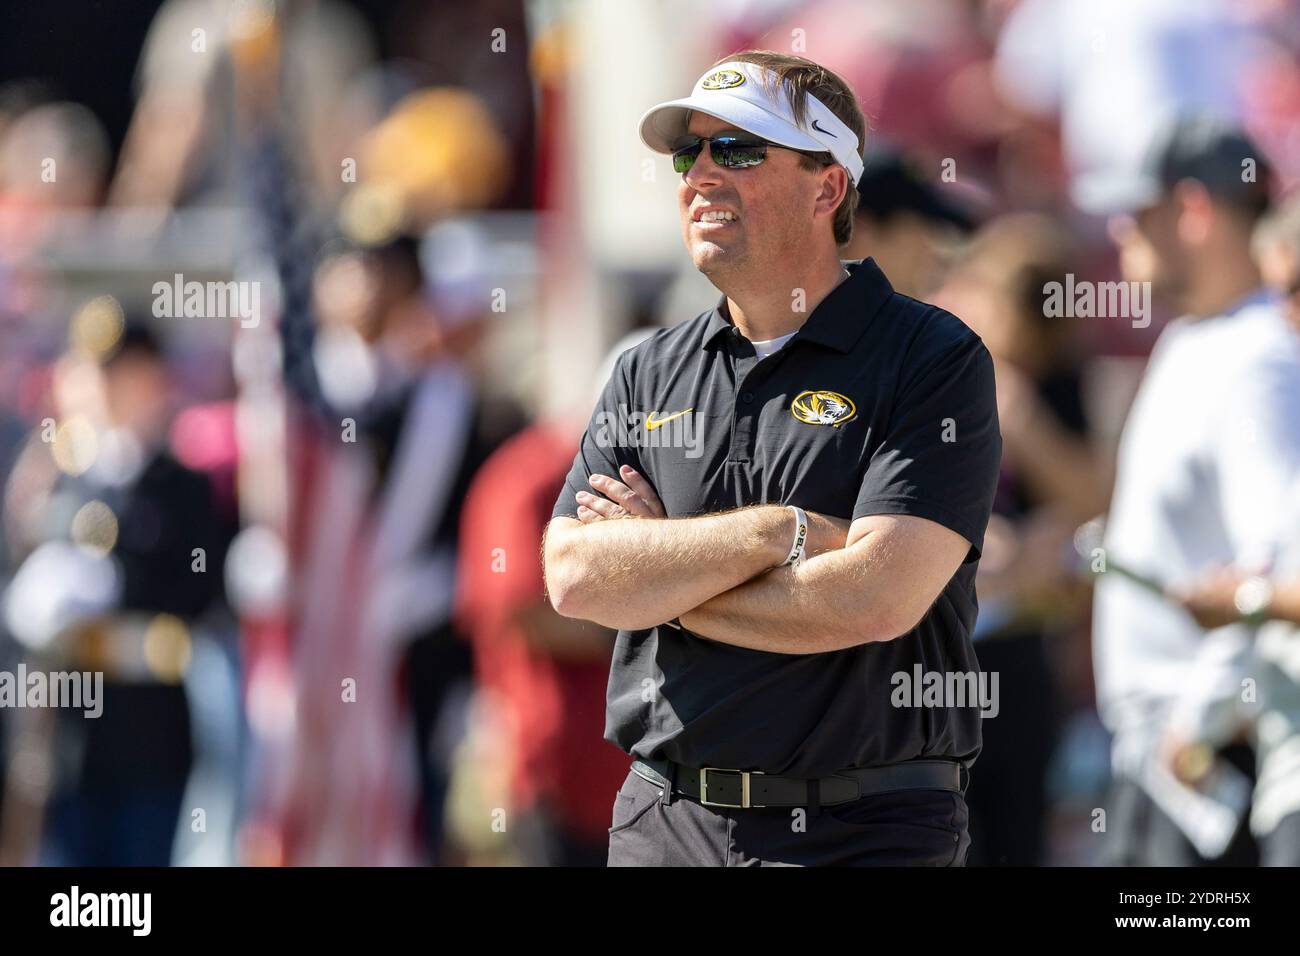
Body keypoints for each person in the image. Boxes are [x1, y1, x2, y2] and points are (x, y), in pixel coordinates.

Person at [542, 51, 1002, 867]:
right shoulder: (648, 367)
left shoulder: (932, 357)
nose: (701, 174)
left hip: (864, 829)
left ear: (828, 187)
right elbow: (576, 577)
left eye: (741, 150)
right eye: (692, 153)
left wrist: (662, 584)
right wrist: (777, 534)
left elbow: (878, 597)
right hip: (665, 819)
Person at [1093, 118, 1300, 866]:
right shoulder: (1194, 341)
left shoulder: (1262, 360)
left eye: (1137, 211)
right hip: (1168, 762)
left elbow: (1275, 567)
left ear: (1196, 212)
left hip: (1213, 764)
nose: (1119, 229)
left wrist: (1199, 720)